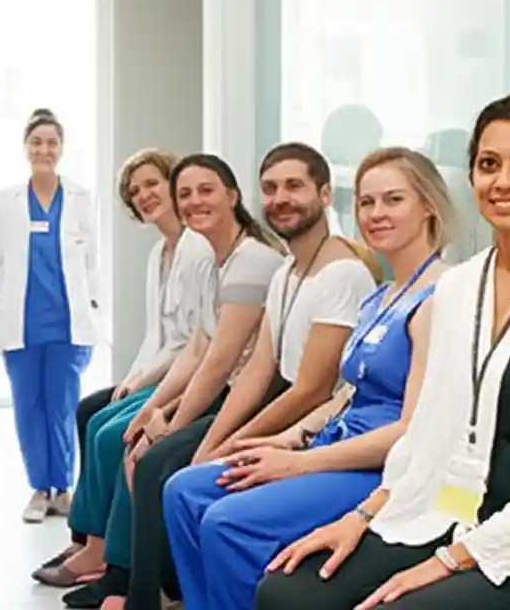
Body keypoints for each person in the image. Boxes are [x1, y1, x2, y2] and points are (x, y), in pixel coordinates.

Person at [258, 89, 510, 610]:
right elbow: (427, 431)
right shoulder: (458, 287)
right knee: (288, 591)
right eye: (489, 164)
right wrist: (363, 516)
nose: (503, 181)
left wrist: (447, 561)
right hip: (454, 507)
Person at [161, 147, 454, 610]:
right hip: (332, 442)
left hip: (376, 465)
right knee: (184, 490)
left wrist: (299, 464)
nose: (376, 213)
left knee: (226, 523)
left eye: (392, 200)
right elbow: (345, 394)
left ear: (429, 207)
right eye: (366, 202)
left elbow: (412, 431)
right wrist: (288, 438)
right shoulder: (381, 297)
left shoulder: (441, 298)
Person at [118, 143, 379, 610]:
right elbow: (258, 371)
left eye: (294, 186)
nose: (281, 197)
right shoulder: (286, 273)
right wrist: (209, 447)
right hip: (288, 409)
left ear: (324, 195)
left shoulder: (344, 274)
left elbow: (311, 388)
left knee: (194, 491)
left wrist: (227, 446)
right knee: (182, 483)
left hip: (315, 421)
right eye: (272, 188)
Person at [50, 153, 286, 608]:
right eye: (187, 195)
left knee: (152, 460)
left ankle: (135, 587)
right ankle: (134, 579)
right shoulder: (221, 258)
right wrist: (149, 409)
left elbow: (218, 361)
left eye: (206, 191)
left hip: (248, 399)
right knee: (128, 437)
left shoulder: (253, 261)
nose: (194, 202)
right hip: (223, 388)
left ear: (233, 196)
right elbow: (199, 346)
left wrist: (171, 423)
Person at [40, 149, 209, 568]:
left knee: (107, 430)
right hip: (161, 368)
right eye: (135, 192)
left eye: (152, 184)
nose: (144, 195)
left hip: (188, 374)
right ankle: (86, 537)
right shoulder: (160, 254)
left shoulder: (198, 248)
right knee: (90, 410)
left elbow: (192, 342)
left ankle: (107, 553)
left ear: (173, 183)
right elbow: (156, 334)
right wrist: (129, 380)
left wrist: (141, 383)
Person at [0, 109, 104, 521]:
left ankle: (63, 488)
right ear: (26, 148)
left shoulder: (81, 198)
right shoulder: (7, 202)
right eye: (37, 142)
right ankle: (40, 488)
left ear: (62, 148)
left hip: (67, 325)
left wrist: (94, 307)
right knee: (28, 407)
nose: (44, 150)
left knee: (62, 406)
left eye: (51, 143)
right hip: (21, 325)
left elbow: (90, 262)